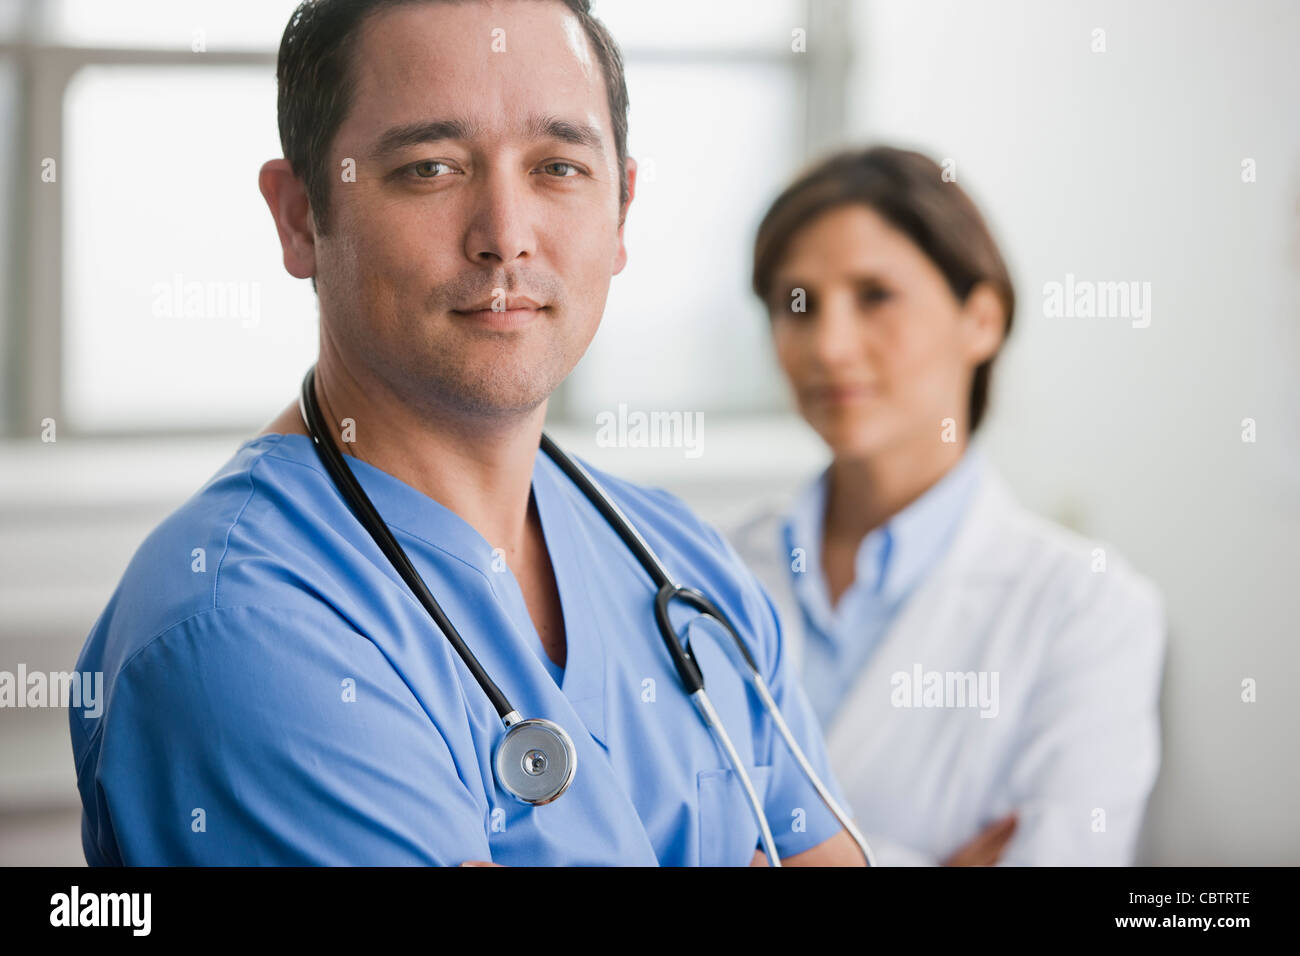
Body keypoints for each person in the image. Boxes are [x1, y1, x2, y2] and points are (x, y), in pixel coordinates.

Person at [68, 0, 865, 867]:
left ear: (622, 211)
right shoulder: (238, 628)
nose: (506, 238)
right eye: (430, 169)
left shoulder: (681, 563)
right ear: (300, 216)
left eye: (558, 167)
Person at [727, 146, 1166, 866]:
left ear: (981, 320)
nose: (830, 346)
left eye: (875, 296)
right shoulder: (699, 572)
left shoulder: (1088, 610)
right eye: (795, 303)